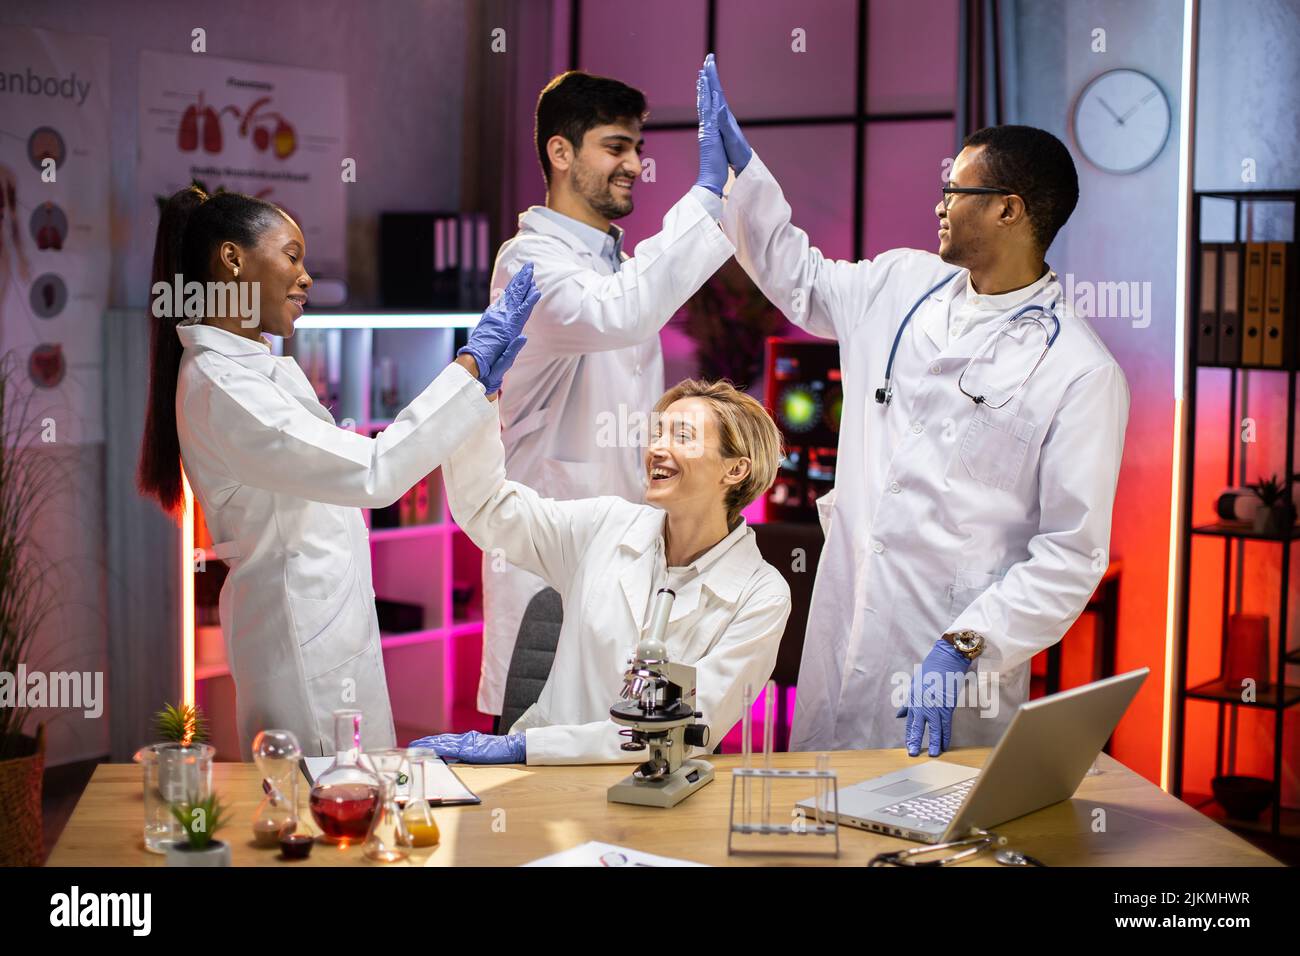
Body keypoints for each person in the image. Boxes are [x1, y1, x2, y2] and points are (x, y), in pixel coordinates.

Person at [700, 55, 1130, 757]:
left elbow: (1071, 553)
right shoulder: (901, 286)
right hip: (847, 623)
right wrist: (744, 175)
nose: (940, 202)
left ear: (1008, 209)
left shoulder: (1080, 371)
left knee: (930, 840)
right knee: (820, 824)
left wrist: (967, 646)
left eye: (956, 189)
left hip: (952, 658)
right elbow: (799, 279)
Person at [137, 186, 537, 758]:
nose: (306, 278)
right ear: (232, 260)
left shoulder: (262, 367)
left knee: (355, 794)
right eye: (292, 256)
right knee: (322, 804)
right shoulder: (223, 386)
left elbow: (352, 464)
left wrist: (474, 384)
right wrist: (469, 368)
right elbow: (373, 473)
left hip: (329, 619)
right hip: (298, 636)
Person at [477, 66, 735, 728]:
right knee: (538, 770)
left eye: (638, 150)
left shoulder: (614, 265)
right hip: (551, 564)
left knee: (620, 756)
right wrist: (706, 196)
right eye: (616, 147)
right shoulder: (528, 265)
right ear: (560, 153)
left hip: (626, 556)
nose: (635, 165)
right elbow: (620, 315)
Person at [412, 379, 791, 765]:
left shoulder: (761, 595)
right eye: (657, 433)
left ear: (736, 469)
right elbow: (490, 509)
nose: (657, 448)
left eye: (682, 436)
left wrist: (530, 747)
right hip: (543, 781)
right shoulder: (605, 525)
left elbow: (685, 729)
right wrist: (479, 394)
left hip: (656, 792)